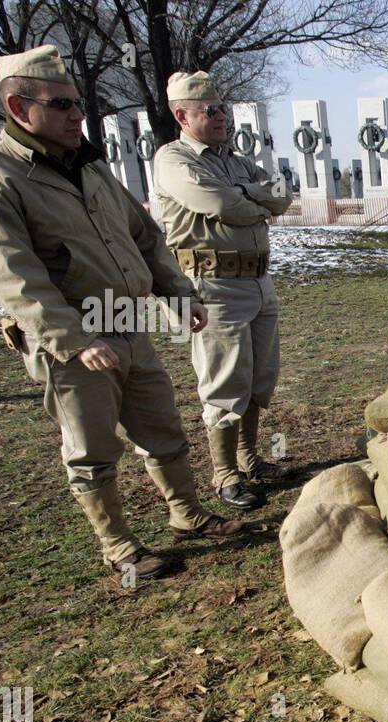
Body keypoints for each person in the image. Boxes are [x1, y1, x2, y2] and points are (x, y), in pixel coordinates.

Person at [0, 45, 245, 582]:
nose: (76, 115)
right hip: (75, 340)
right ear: (19, 108)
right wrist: (75, 340)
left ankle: (187, 514)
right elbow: (12, 276)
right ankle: (120, 546)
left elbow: (145, 236)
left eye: (78, 103)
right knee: (92, 448)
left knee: (163, 428)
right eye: (61, 105)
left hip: (129, 323)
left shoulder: (90, 168)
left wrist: (178, 294)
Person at [153, 71, 293, 511]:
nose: (221, 117)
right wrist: (250, 202)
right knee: (225, 380)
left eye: (222, 109)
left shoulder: (233, 161)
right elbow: (219, 205)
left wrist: (242, 192)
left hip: (258, 279)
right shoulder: (174, 159)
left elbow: (282, 194)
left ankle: (249, 459)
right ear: (182, 115)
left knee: (258, 376)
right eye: (209, 111)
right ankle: (224, 473)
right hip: (213, 285)